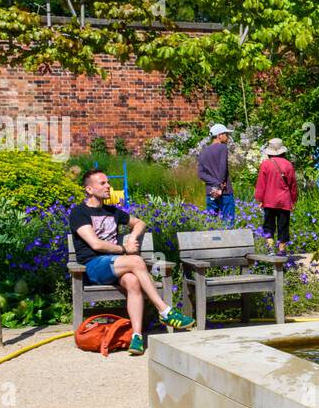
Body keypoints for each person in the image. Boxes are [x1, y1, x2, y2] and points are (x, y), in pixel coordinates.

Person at [69, 169, 194, 355]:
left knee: (133, 281)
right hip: (93, 267)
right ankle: (165, 311)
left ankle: (136, 337)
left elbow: (140, 223)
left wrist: (132, 236)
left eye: (108, 182)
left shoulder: (112, 211)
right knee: (135, 261)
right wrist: (124, 249)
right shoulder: (79, 213)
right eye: (102, 183)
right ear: (89, 189)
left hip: (115, 265)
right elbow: (95, 243)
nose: (108, 186)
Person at [254, 138, 298, 254]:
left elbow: (261, 184)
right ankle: (282, 250)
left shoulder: (265, 164)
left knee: (269, 225)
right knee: (283, 226)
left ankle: (270, 249)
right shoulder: (288, 165)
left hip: (269, 200)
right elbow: (293, 185)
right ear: (283, 151)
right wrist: (293, 200)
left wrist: (259, 199)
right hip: (284, 200)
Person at [197, 123, 235, 222]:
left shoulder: (203, 152)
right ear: (219, 136)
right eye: (226, 134)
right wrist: (220, 184)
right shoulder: (222, 148)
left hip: (211, 192)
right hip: (224, 191)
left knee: (211, 222)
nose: (227, 137)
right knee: (228, 221)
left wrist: (214, 184)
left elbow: (201, 174)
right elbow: (223, 167)